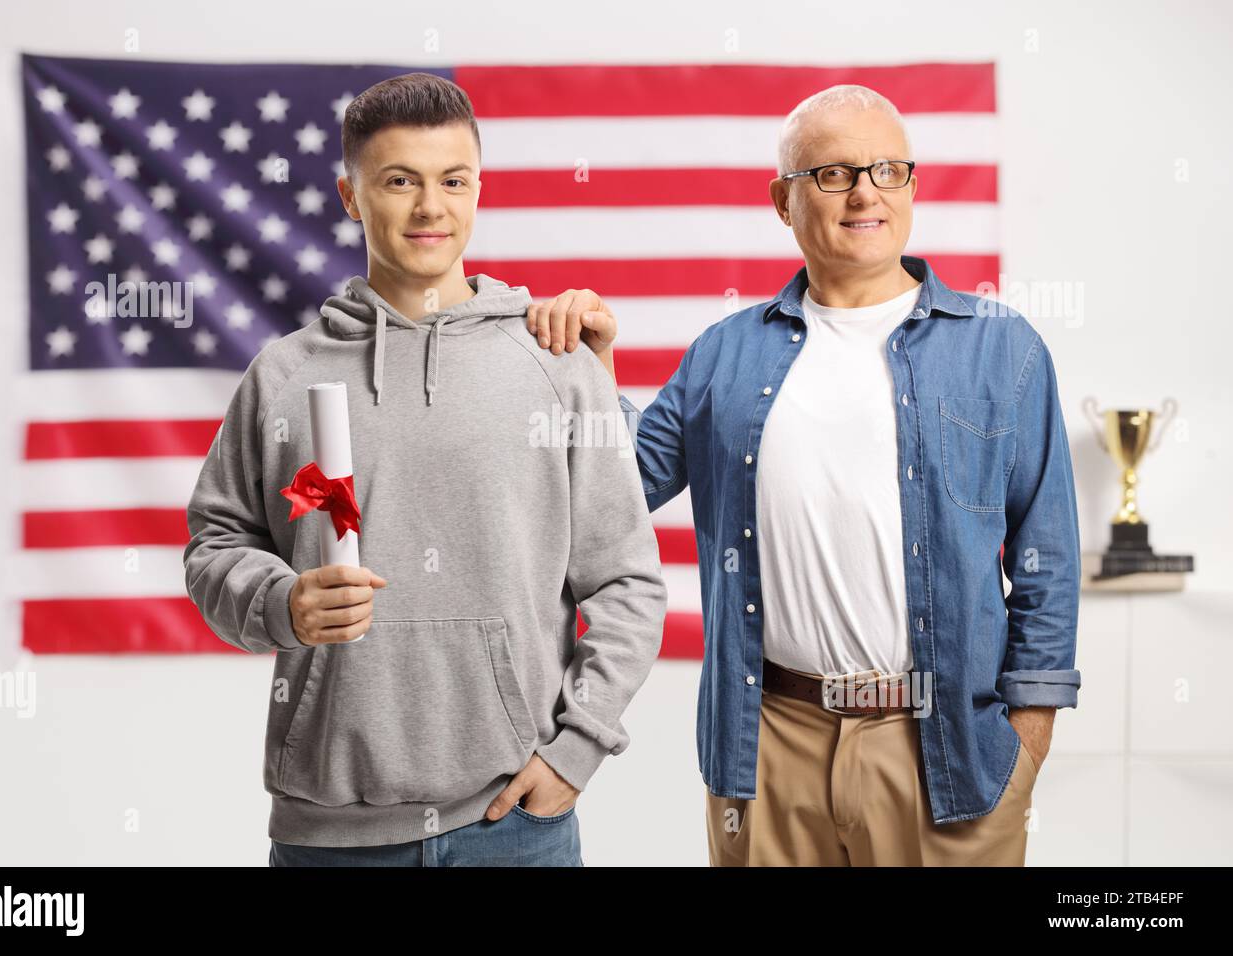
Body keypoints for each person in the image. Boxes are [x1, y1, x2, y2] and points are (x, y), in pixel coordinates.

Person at [527, 84, 1081, 865]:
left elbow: (1047, 555)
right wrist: (596, 367)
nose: (865, 192)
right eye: (833, 173)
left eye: (888, 170)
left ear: (912, 188)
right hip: (769, 742)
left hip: (947, 747)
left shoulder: (1002, 348)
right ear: (782, 202)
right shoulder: (724, 354)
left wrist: (1026, 742)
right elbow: (626, 488)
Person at [183, 72, 666, 867]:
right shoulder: (284, 374)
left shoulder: (557, 365)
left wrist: (577, 750)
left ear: (479, 190)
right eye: (399, 181)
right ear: (350, 195)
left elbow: (627, 581)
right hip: (328, 836)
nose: (429, 207)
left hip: (515, 825)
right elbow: (215, 548)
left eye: (453, 181)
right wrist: (281, 601)